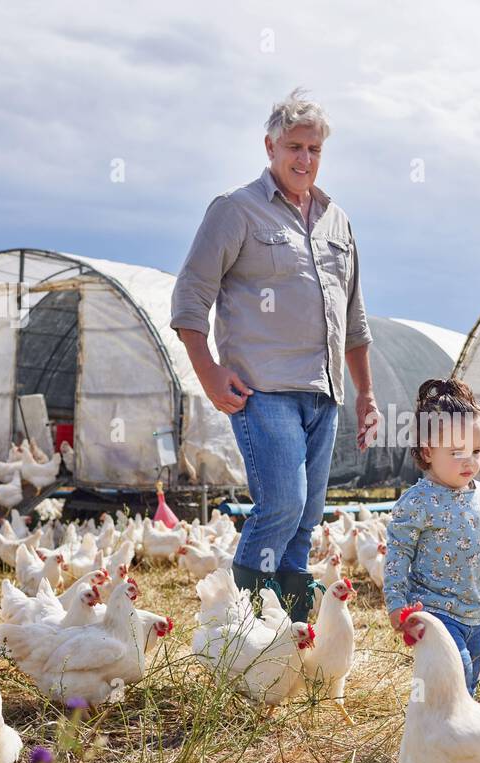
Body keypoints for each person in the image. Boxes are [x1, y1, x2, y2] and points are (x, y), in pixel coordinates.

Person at [170, 89, 379, 623]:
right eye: (294, 147)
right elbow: (190, 298)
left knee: (307, 515)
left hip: (323, 393)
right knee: (282, 504)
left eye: (314, 149)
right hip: (262, 390)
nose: (304, 159)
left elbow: (354, 320)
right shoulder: (235, 211)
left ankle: (288, 628)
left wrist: (368, 395)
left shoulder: (339, 222)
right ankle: (237, 623)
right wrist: (210, 373)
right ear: (269, 146)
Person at [383, 378, 480, 696]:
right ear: (428, 451)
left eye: (476, 450)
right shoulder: (418, 502)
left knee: (469, 682)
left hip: (475, 612)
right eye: (457, 451)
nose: (470, 460)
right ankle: (431, 732)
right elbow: (398, 555)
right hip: (435, 611)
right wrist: (395, 603)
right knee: (452, 675)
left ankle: (449, 736)